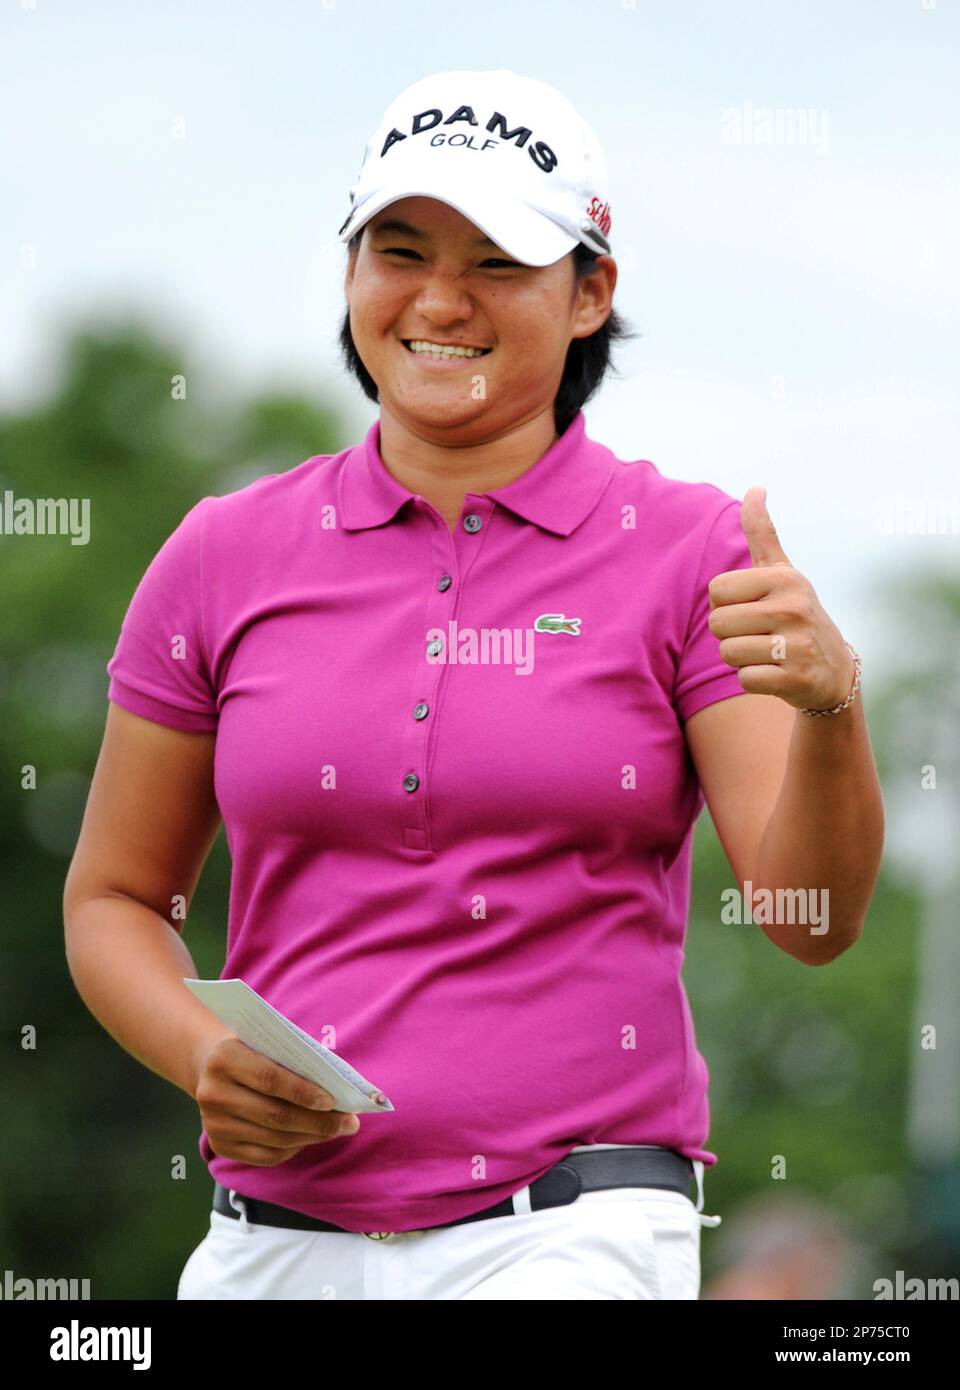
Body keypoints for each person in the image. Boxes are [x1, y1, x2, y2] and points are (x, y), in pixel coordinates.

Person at [63, 68, 884, 1301]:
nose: (439, 299)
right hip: (271, 1235)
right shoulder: (222, 554)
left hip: (570, 1226)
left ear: (591, 291)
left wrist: (830, 709)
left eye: (499, 261)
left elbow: (809, 923)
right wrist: (203, 1052)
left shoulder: (692, 550)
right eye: (399, 249)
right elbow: (117, 896)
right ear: (351, 275)